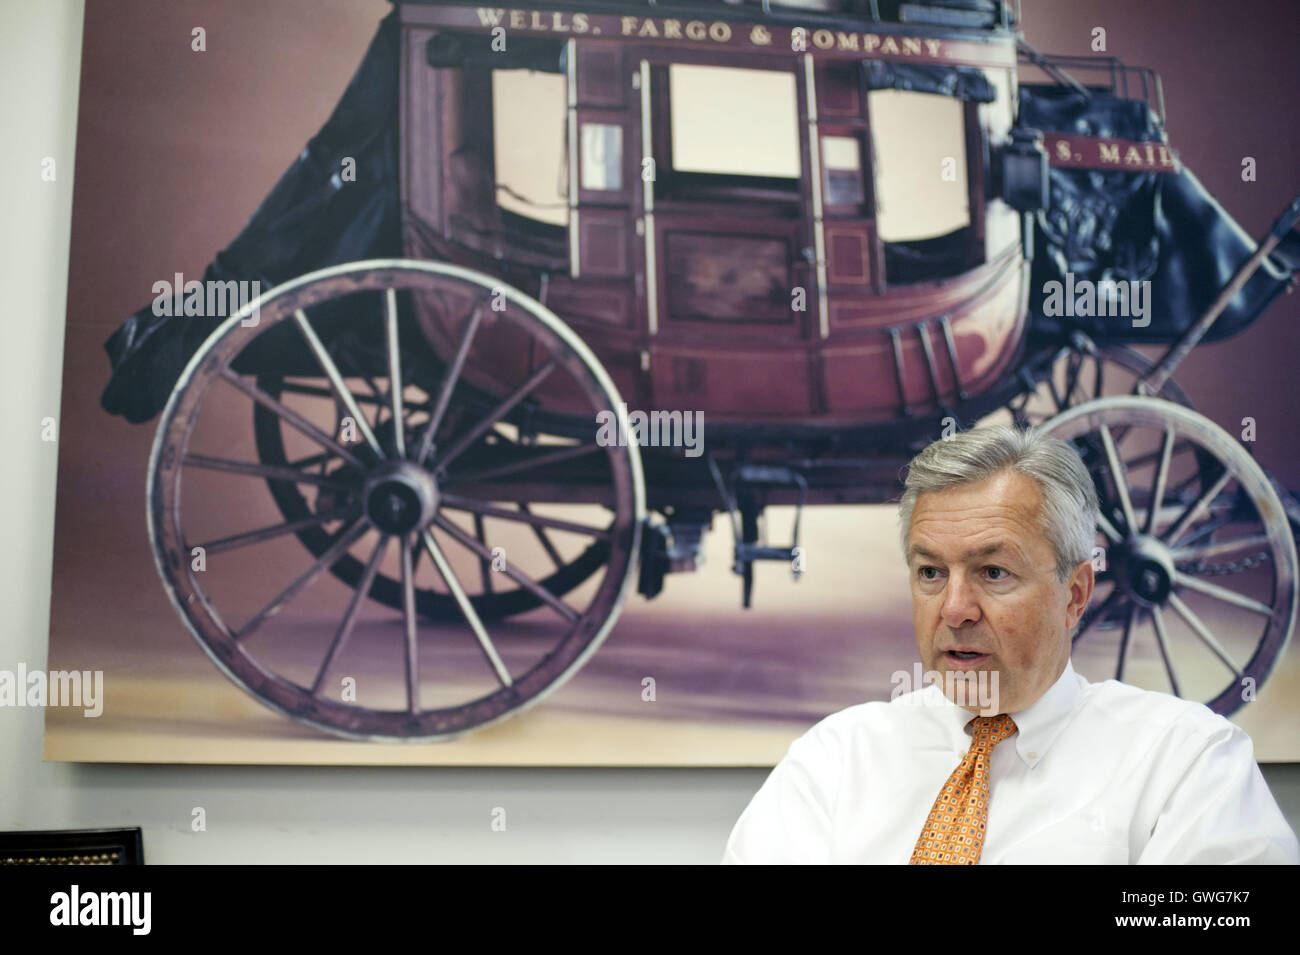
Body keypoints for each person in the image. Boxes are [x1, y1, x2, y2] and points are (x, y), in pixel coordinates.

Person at [721, 424, 1299, 864]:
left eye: (993, 572)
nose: (954, 609)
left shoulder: (1187, 761)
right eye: (930, 573)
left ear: (1075, 593)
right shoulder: (834, 762)